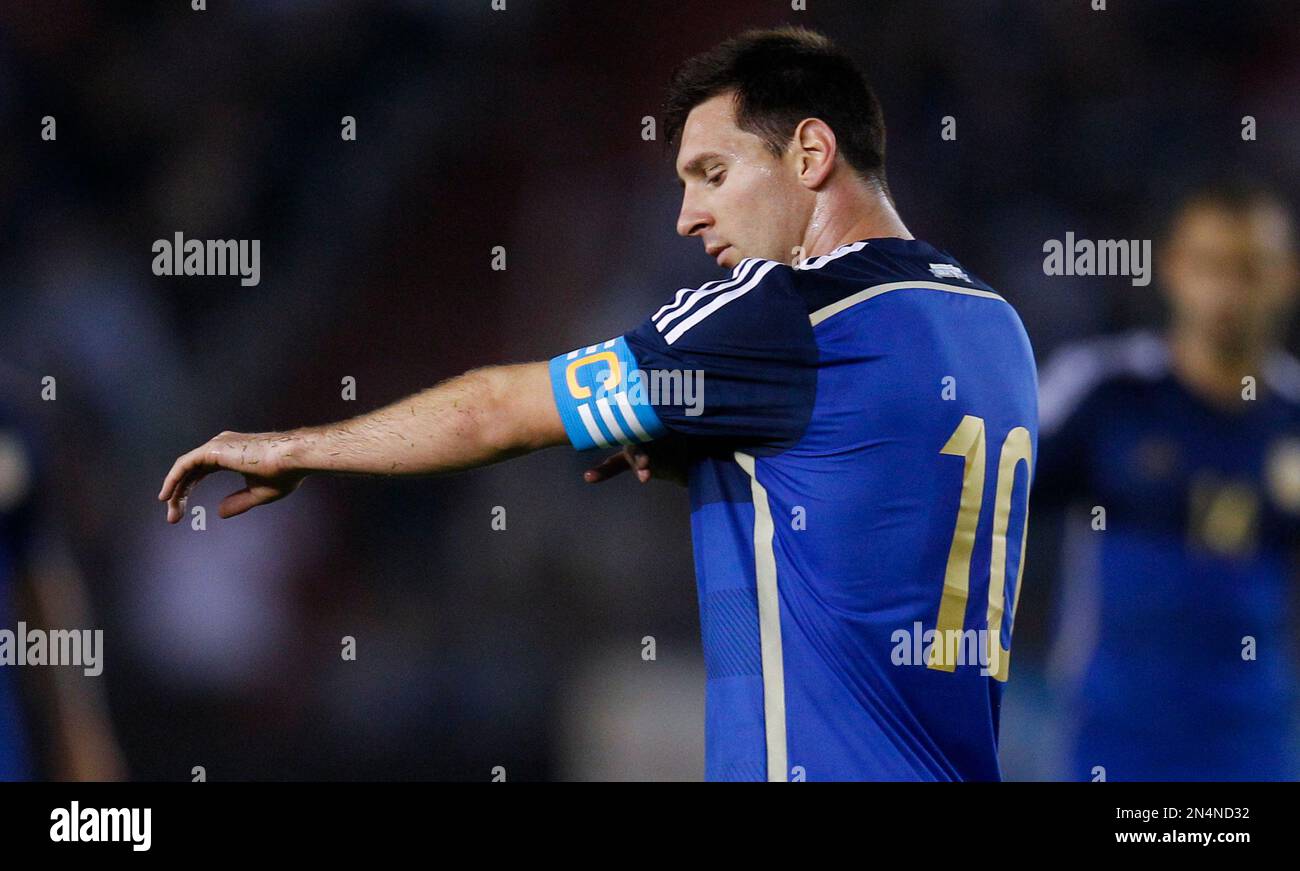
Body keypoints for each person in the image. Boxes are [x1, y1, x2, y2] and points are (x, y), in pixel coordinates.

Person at [159, 27, 1038, 781]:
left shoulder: (782, 311)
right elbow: (864, 497)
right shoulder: (997, 329)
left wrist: (299, 448)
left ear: (809, 154)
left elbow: (499, 409)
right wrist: (712, 453)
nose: (688, 216)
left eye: (712, 172)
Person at [1036, 180, 1300, 780]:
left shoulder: (1291, 419)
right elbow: (993, 507)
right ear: (1173, 269)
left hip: (1255, 748)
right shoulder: (1105, 392)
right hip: (1114, 744)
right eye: (1211, 265)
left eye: (1251, 268)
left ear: (1286, 276)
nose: (1229, 291)